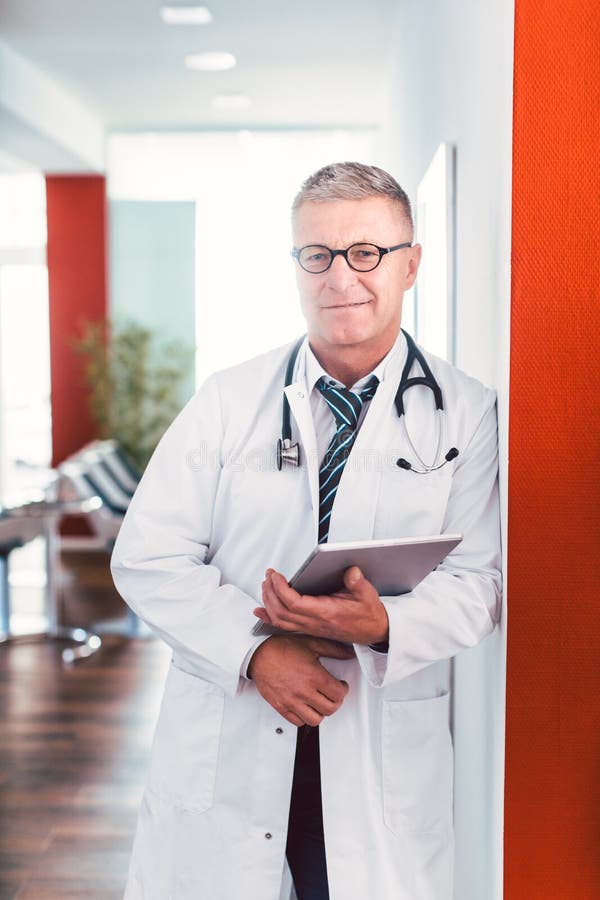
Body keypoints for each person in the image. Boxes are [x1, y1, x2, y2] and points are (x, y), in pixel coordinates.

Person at [111, 161, 501, 900]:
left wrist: (387, 621)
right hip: (237, 721)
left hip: (376, 734)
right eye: (315, 255)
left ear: (410, 264)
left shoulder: (465, 411)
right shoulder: (229, 400)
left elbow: (480, 580)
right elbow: (148, 555)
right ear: (295, 265)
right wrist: (257, 653)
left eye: (366, 253)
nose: (339, 277)